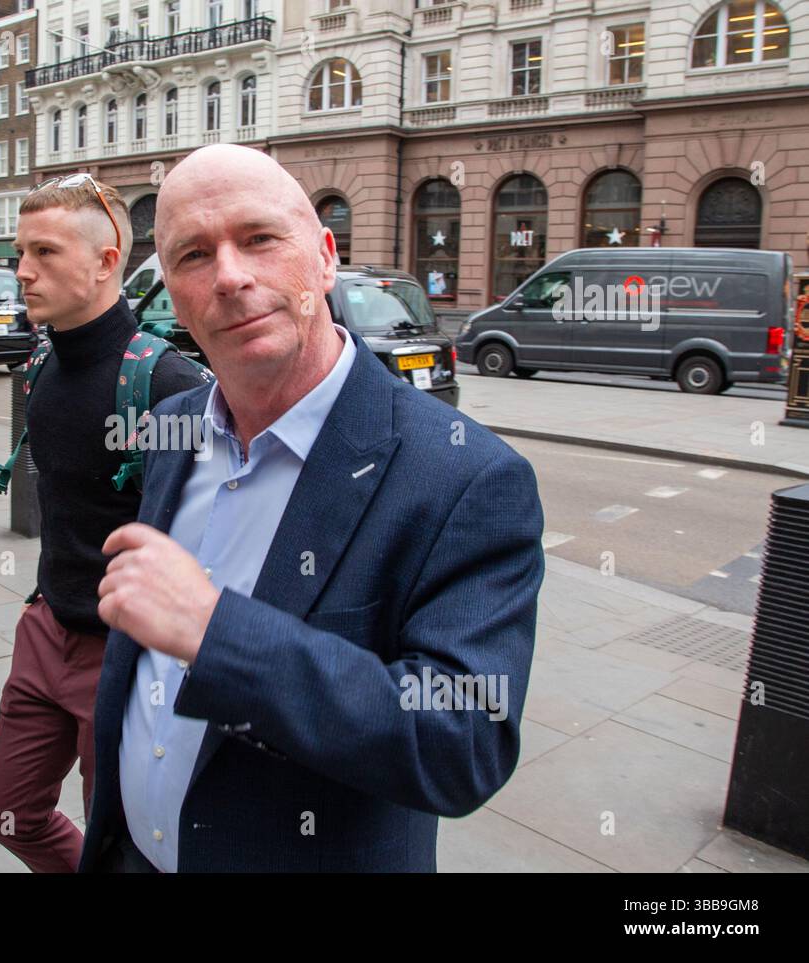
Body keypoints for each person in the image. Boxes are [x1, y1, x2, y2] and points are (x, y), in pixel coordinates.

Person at [80, 144, 546, 873]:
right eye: (194, 255)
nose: (230, 276)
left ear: (325, 257)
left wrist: (216, 631)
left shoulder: (465, 475)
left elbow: (463, 741)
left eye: (260, 238)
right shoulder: (174, 426)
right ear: (170, 287)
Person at [0, 175, 207, 872]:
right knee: (7, 812)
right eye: (21, 252)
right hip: (46, 627)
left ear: (107, 262)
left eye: (44, 252)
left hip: (123, 653)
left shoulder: (166, 383)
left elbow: (204, 539)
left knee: (121, 838)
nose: (22, 271)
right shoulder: (43, 359)